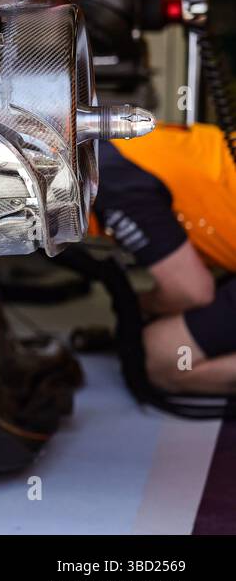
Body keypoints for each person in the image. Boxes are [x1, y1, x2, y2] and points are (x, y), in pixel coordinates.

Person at [94, 122, 236, 394]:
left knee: (163, 356)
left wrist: (140, 306)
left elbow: (193, 292)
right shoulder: (109, 145)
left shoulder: (107, 179)